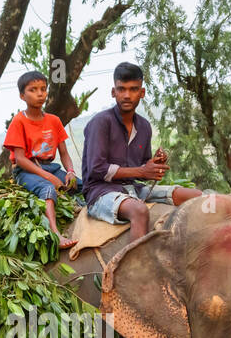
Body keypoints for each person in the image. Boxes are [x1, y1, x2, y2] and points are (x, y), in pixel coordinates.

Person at [81, 61, 202, 240]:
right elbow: (96, 170)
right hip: (101, 192)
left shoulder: (144, 126)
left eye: (133, 89)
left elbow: (141, 171)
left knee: (196, 195)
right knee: (139, 210)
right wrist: (142, 170)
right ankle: (134, 267)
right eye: (121, 89)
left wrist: (152, 165)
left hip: (134, 188)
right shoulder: (101, 122)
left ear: (142, 92)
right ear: (113, 92)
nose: (127, 95)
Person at [4, 70, 80, 249]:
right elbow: (21, 159)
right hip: (26, 170)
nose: (40, 94)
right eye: (33, 90)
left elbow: (64, 154)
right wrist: (49, 178)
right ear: (22, 95)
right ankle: (56, 235)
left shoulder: (54, 120)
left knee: (82, 185)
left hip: (51, 167)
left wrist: (70, 172)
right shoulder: (19, 121)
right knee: (47, 189)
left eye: (43, 89)